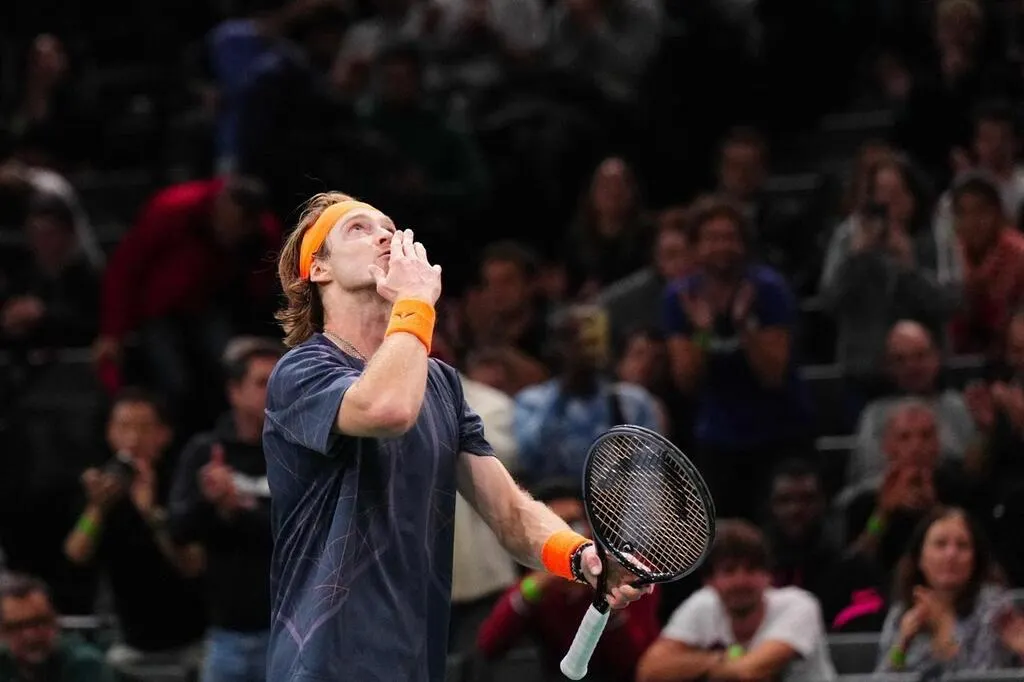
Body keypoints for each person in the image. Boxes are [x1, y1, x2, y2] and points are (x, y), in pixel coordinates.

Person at [263, 192, 648, 682]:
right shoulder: (301, 371)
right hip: (321, 664)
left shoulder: (441, 384)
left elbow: (509, 512)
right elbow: (386, 409)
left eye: (389, 228)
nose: (385, 236)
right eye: (358, 228)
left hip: (413, 662)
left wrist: (580, 557)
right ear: (318, 268)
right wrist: (414, 305)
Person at [169, 338, 283, 682]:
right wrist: (210, 502)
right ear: (234, 391)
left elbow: (304, 535)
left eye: (281, 382)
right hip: (225, 634)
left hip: (289, 633)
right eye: (262, 383)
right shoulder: (205, 451)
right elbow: (179, 530)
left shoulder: (302, 453)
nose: (275, 392)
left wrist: (236, 511)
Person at [477, 479, 661, 682]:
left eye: (575, 524)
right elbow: (488, 644)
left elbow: (638, 661)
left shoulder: (629, 572)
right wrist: (533, 588)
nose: (570, 535)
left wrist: (613, 610)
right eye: (557, 528)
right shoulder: (535, 579)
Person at [637, 520, 837, 682]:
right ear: (710, 581)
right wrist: (720, 659)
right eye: (729, 570)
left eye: (751, 569)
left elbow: (750, 672)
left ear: (769, 576)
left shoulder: (799, 605)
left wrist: (690, 666)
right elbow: (649, 671)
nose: (741, 581)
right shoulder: (702, 603)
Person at [0, 574, 114, 682]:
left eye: (39, 622)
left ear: (55, 621)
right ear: (2, 631)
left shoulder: (85, 664)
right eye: (17, 626)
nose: (31, 635)